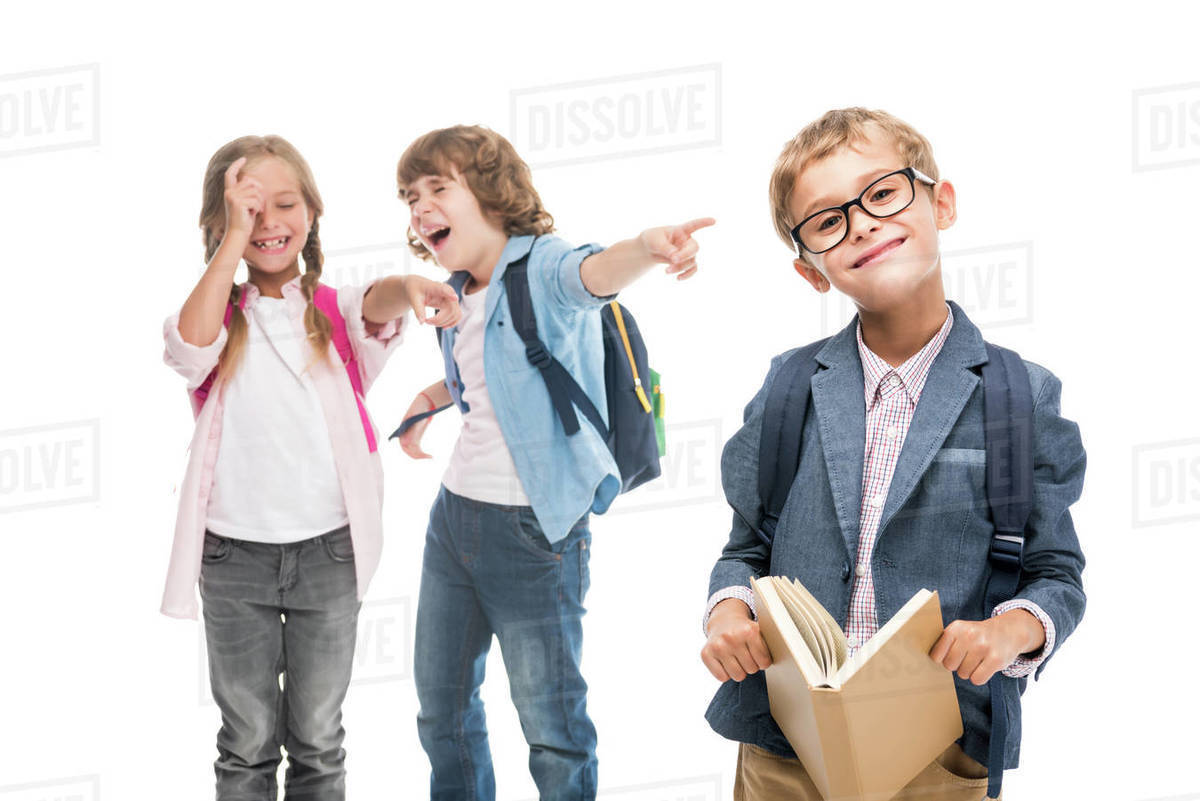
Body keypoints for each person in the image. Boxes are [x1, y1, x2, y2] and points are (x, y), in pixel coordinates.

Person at [699, 108, 1086, 801]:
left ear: (942, 203)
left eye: (881, 193)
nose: (862, 224)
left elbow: (1055, 574)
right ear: (811, 270)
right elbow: (746, 550)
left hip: (939, 754)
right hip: (783, 749)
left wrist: (1011, 630)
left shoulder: (1019, 395)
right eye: (828, 220)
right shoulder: (788, 388)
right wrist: (727, 613)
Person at [394, 124, 713, 801]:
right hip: (453, 521)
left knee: (552, 728)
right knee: (441, 711)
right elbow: (490, 377)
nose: (420, 209)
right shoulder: (455, 291)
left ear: (490, 192)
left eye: (437, 188)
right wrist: (428, 401)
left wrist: (646, 247)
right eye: (410, 197)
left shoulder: (542, 265)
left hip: (535, 532)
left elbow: (591, 276)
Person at [161, 134, 460, 800]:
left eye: (284, 204)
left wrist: (411, 284)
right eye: (248, 210)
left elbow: (377, 301)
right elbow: (189, 346)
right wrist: (232, 241)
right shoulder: (218, 315)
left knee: (319, 741)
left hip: (329, 556)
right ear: (221, 223)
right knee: (245, 743)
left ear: (312, 211)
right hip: (232, 560)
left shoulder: (333, 310)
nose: (268, 222)